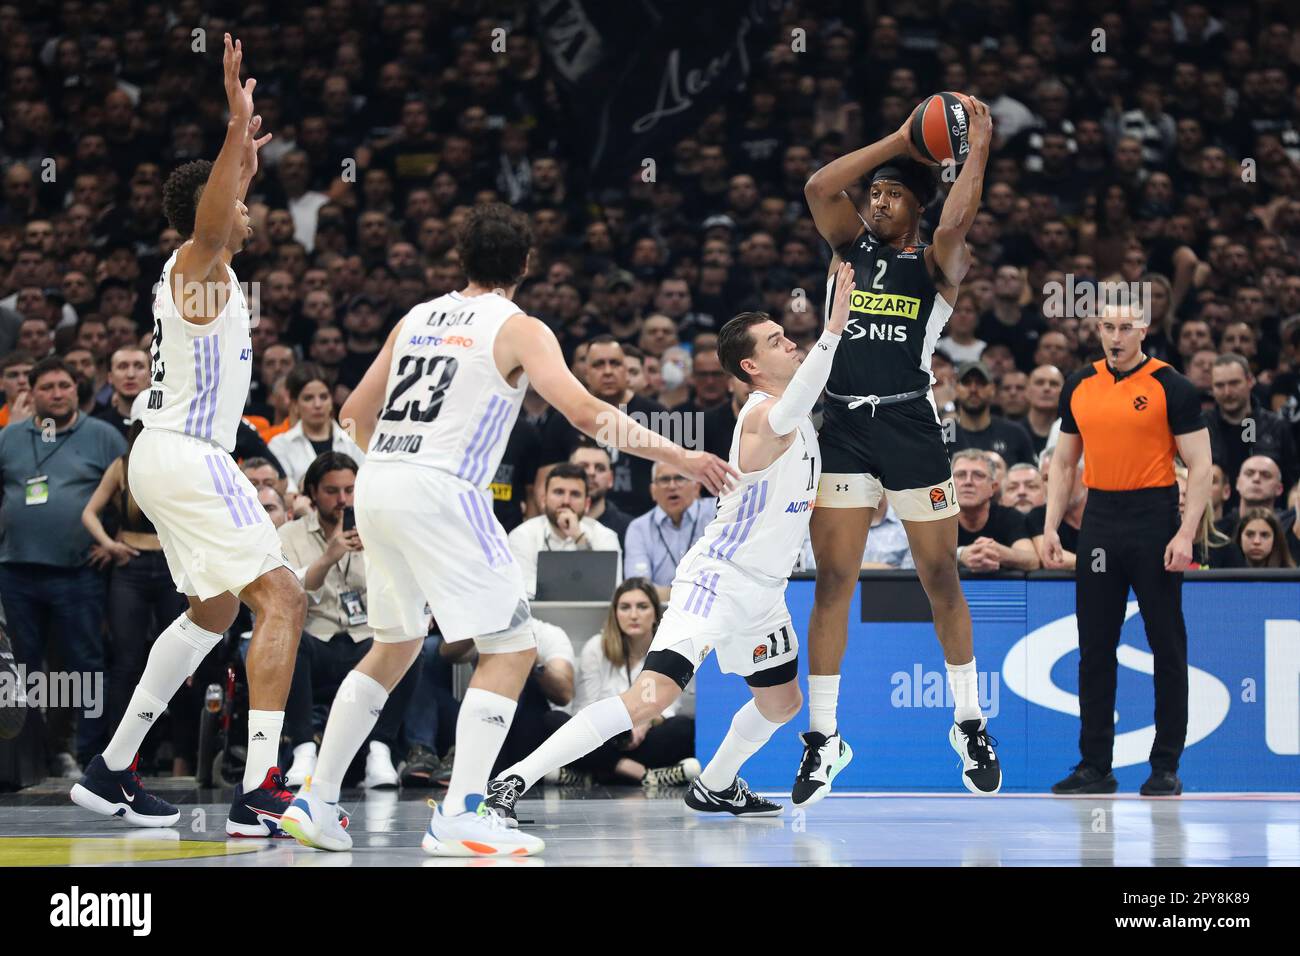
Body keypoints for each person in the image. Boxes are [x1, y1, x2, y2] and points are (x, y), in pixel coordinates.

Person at [279, 202, 733, 857]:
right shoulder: (519, 327)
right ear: (525, 265)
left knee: (395, 644)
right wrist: (679, 454)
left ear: (460, 261)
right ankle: (462, 812)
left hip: (378, 482)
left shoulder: (415, 318)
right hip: (442, 489)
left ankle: (317, 801)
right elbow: (584, 412)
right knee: (512, 647)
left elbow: (352, 414)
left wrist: (399, 472)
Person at [480, 269, 890, 841]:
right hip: (717, 579)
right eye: (776, 341)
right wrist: (835, 326)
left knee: (781, 703)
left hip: (764, 592)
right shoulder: (760, 414)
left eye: (787, 336)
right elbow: (802, 394)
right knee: (650, 698)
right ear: (750, 368)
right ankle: (512, 781)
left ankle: (716, 783)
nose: (790, 342)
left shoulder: (794, 413)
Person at [71, 37, 309, 833]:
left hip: (170, 457)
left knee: (212, 613)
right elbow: (212, 214)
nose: (248, 206)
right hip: (187, 456)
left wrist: (242, 154)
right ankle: (264, 785)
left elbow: (224, 199)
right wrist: (232, 127)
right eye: (239, 198)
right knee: (283, 598)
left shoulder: (212, 273)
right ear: (208, 214)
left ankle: (111, 768)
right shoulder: (196, 263)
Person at [797, 94, 1002, 800]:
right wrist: (899, 139)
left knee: (940, 577)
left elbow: (958, 219)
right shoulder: (846, 245)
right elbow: (819, 186)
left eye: (890, 195)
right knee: (833, 581)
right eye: (875, 195)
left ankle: (969, 722)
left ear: (914, 209)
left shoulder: (938, 262)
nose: (878, 201)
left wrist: (973, 149)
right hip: (846, 425)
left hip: (912, 423)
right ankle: (824, 738)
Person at [1044, 303, 1211, 797]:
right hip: (1099, 519)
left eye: (1125, 328)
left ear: (1143, 330)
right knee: (1094, 647)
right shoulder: (1079, 383)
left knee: (1166, 643)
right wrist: (1052, 526)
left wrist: (1185, 533)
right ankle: (1095, 765)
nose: (1115, 337)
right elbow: (1063, 464)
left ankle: (1165, 766)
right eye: (1107, 327)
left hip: (1154, 518)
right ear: (1098, 330)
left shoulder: (1171, 385)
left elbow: (1200, 466)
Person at [0, 358, 126, 773]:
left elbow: (133, 494)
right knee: (20, 670)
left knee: (86, 665)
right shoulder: (10, 437)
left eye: (65, 385)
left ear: (77, 389)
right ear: (30, 393)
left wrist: (117, 541)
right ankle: (27, 760)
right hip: (16, 570)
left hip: (78, 571)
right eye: (48, 386)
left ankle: (93, 758)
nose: (57, 393)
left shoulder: (104, 437)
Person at [276, 451, 416, 789]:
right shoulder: (290, 535)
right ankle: (304, 750)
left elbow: (402, 585)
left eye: (350, 490)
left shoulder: (378, 531)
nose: (343, 500)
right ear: (311, 492)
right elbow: (290, 591)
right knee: (290, 644)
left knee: (410, 645)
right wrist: (328, 557)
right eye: (332, 491)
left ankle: (379, 752)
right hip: (316, 638)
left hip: (364, 640)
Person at [80, 419, 192, 773]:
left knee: (182, 662)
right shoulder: (122, 465)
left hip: (173, 565)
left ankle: (182, 755)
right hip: (131, 565)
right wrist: (110, 544)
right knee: (127, 662)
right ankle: (118, 755)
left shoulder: (182, 463)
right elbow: (88, 512)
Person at [549, 578, 698, 787]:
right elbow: (583, 708)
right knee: (554, 721)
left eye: (642, 607)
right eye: (625, 607)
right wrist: (613, 727)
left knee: (684, 728)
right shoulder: (596, 648)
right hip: (602, 737)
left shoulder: (670, 650)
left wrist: (646, 723)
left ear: (656, 613)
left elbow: (670, 706)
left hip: (646, 736)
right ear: (615, 614)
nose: (634, 615)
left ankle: (594, 774)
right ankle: (643, 775)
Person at [506, 462, 622, 600]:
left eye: (575, 494)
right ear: (544, 500)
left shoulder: (605, 537)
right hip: (536, 617)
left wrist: (579, 538)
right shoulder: (521, 535)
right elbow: (523, 591)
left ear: (587, 504)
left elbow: (610, 592)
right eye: (559, 492)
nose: (566, 501)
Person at [267, 362, 367, 493]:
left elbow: (365, 486)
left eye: (324, 397)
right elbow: (288, 493)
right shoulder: (280, 444)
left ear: (331, 401)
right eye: (308, 398)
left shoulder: (354, 440)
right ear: (295, 404)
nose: (318, 404)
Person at [623, 461, 709, 591]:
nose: (672, 486)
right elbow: (639, 590)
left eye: (680, 478)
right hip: (660, 610)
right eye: (664, 479)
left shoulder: (717, 514)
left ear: (696, 486)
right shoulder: (639, 528)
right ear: (653, 491)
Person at [952, 449, 1040, 572]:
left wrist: (999, 552)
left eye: (978, 475)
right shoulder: (938, 518)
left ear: (993, 487)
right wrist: (960, 555)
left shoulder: (1009, 516)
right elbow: (919, 558)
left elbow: (1033, 561)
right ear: (949, 485)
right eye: (960, 475)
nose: (968, 482)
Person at [951, 360, 1038, 464]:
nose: (973, 389)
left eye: (981, 383)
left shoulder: (1014, 433)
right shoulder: (946, 433)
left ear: (993, 388)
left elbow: (1031, 475)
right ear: (956, 388)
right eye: (966, 383)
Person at [570, 443, 633, 542]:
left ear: (611, 479)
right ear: (567, 474)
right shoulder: (549, 523)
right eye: (583, 467)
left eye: (600, 468)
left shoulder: (629, 528)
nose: (591, 473)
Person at [90, 346, 150, 439]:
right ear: (110, 377)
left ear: (151, 376)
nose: (131, 374)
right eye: (123, 367)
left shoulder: (164, 423)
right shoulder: (97, 427)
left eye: (139, 366)